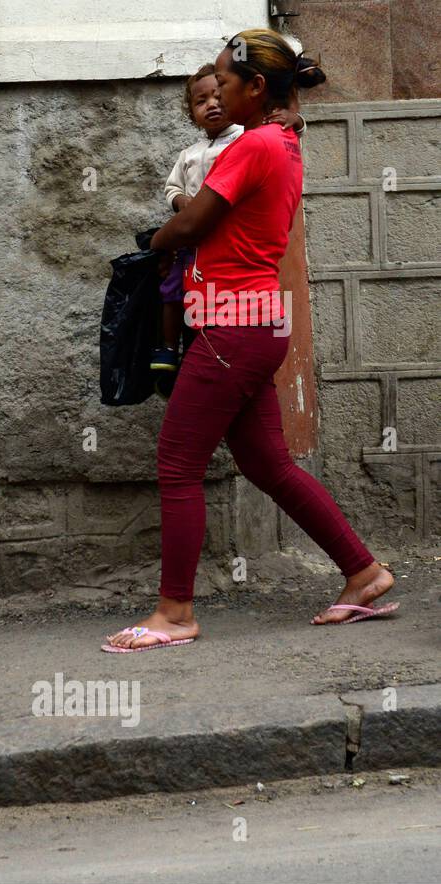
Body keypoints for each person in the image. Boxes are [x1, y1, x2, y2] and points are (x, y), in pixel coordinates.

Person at [103, 29, 398, 653]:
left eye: (226, 82)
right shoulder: (283, 139)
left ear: (255, 87)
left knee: (178, 463)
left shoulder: (252, 146)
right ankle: (364, 573)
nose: (217, 93)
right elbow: (286, 116)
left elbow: (191, 221)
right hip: (254, 323)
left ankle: (175, 613)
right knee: (269, 464)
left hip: (232, 327)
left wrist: (151, 244)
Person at [153, 64, 305, 398]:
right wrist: (182, 204)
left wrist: (160, 240)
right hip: (199, 260)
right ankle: (168, 348)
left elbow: (285, 130)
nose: (213, 103)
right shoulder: (189, 155)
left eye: (219, 94)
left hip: (232, 298)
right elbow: (173, 190)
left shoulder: (248, 141)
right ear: (191, 114)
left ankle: (182, 353)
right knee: (172, 290)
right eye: (201, 100)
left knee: (182, 443)